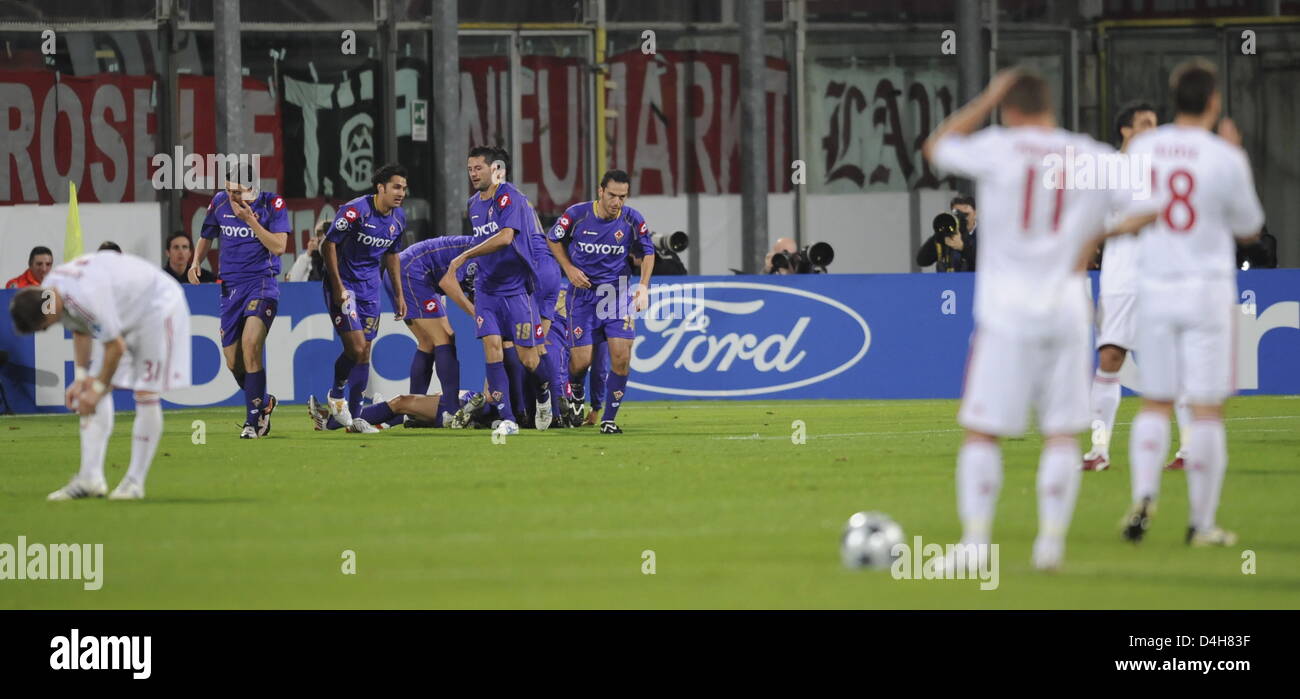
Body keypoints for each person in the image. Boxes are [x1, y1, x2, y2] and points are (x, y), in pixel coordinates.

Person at [922, 68, 1153, 572]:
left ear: (1008, 107)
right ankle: (1050, 544)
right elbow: (1150, 206)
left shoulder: (997, 147)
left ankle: (976, 545)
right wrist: (1092, 238)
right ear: (1051, 105)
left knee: (983, 432)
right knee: (1061, 434)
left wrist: (985, 99)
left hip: (1005, 312)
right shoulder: (1090, 155)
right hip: (1067, 310)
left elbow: (936, 147)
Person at [1118, 59, 1264, 547]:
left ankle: (1142, 494)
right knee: (1206, 410)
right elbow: (1249, 228)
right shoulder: (1223, 156)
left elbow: (1129, 210)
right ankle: (1201, 524)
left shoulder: (1145, 147)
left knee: (1155, 403)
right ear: (1214, 101)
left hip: (1156, 288)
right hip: (1206, 291)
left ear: (1173, 98)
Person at [8, 251, 192, 500]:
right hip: (127, 313)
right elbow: (79, 329)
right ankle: (90, 479)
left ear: (47, 314)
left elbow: (114, 347)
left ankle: (134, 484)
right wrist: (83, 377)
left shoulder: (85, 296)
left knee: (145, 391)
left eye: (44, 326)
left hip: (157, 308)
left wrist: (95, 390)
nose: (48, 328)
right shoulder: (50, 293)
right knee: (90, 389)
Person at [439, 146, 555, 437]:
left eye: (479, 168)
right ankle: (507, 418)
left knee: (529, 358)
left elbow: (504, 238)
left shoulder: (511, 198)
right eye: (470, 169)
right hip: (487, 290)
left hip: (516, 291)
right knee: (492, 350)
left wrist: (465, 256)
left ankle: (544, 394)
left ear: (495, 169)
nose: (473, 174)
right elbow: (486, 241)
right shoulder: (472, 204)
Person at [1083, 101, 1167, 472]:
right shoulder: (1106, 169)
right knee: (1110, 358)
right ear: (1126, 131)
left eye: (1156, 123)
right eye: (1146, 123)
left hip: (1163, 276)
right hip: (1119, 276)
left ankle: (1190, 452)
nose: (1154, 129)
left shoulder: (1168, 170)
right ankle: (1099, 449)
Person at [547, 169, 655, 434]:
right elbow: (552, 238)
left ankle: (609, 419)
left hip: (617, 294)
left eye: (623, 197)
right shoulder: (577, 214)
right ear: (600, 192)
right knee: (581, 362)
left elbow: (648, 251)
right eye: (612, 196)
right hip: (582, 296)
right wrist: (569, 269)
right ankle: (575, 389)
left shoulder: (632, 220)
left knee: (620, 358)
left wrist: (643, 286)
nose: (617, 202)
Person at [194, 181, 289, 438]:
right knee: (233, 362)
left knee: (250, 344)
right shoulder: (220, 202)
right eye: (230, 190)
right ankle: (264, 401)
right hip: (230, 289)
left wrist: (251, 220)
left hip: (262, 284)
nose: (233, 196)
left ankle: (253, 421)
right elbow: (207, 236)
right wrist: (195, 262)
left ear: (253, 188)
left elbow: (279, 247)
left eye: (239, 191)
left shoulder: (272, 204)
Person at [320, 163, 408, 432]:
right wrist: (337, 286)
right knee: (356, 348)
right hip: (345, 285)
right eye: (396, 187)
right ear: (380, 188)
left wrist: (398, 294)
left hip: (370, 288)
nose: (401, 193)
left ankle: (357, 418)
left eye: (404, 188)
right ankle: (336, 395)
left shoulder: (398, 219)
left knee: (365, 352)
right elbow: (328, 244)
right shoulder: (355, 210)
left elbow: (392, 255)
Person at [916, 195, 978, 272]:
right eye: (957, 215)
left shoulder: (986, 235)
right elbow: (922, 260)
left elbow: (988, 263)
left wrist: (963, 247)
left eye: (966, 215)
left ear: (975, 213)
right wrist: (939, 235)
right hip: (947, 282)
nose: (962, 219)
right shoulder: (948, 234)